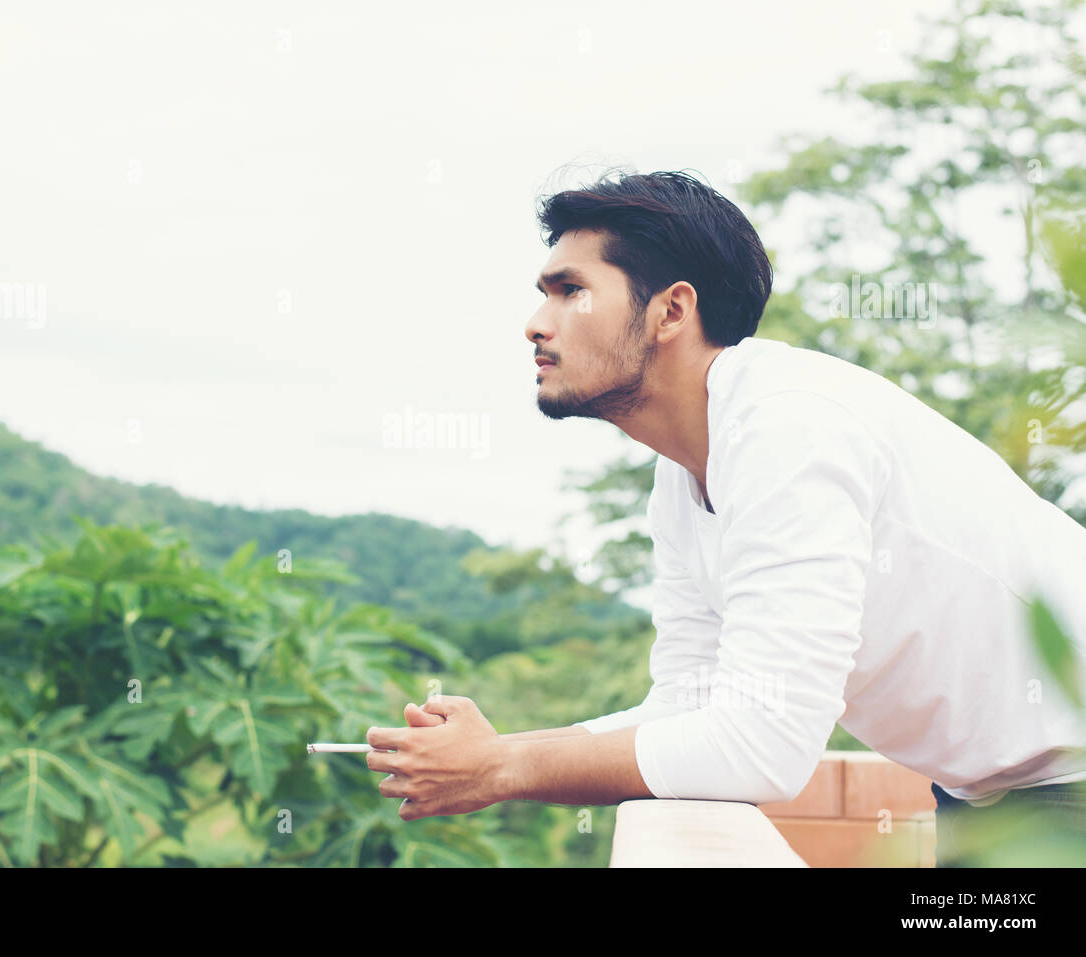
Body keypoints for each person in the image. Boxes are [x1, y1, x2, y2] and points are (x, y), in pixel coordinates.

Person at [364, 169, 1086, 866]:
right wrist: (496, 752)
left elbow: (762, 745)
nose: (535, 324)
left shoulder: (788, 428)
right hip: (993, 795)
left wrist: (503, 767)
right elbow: (691, 702)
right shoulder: (687, 465)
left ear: (671, 311)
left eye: (570, 291)